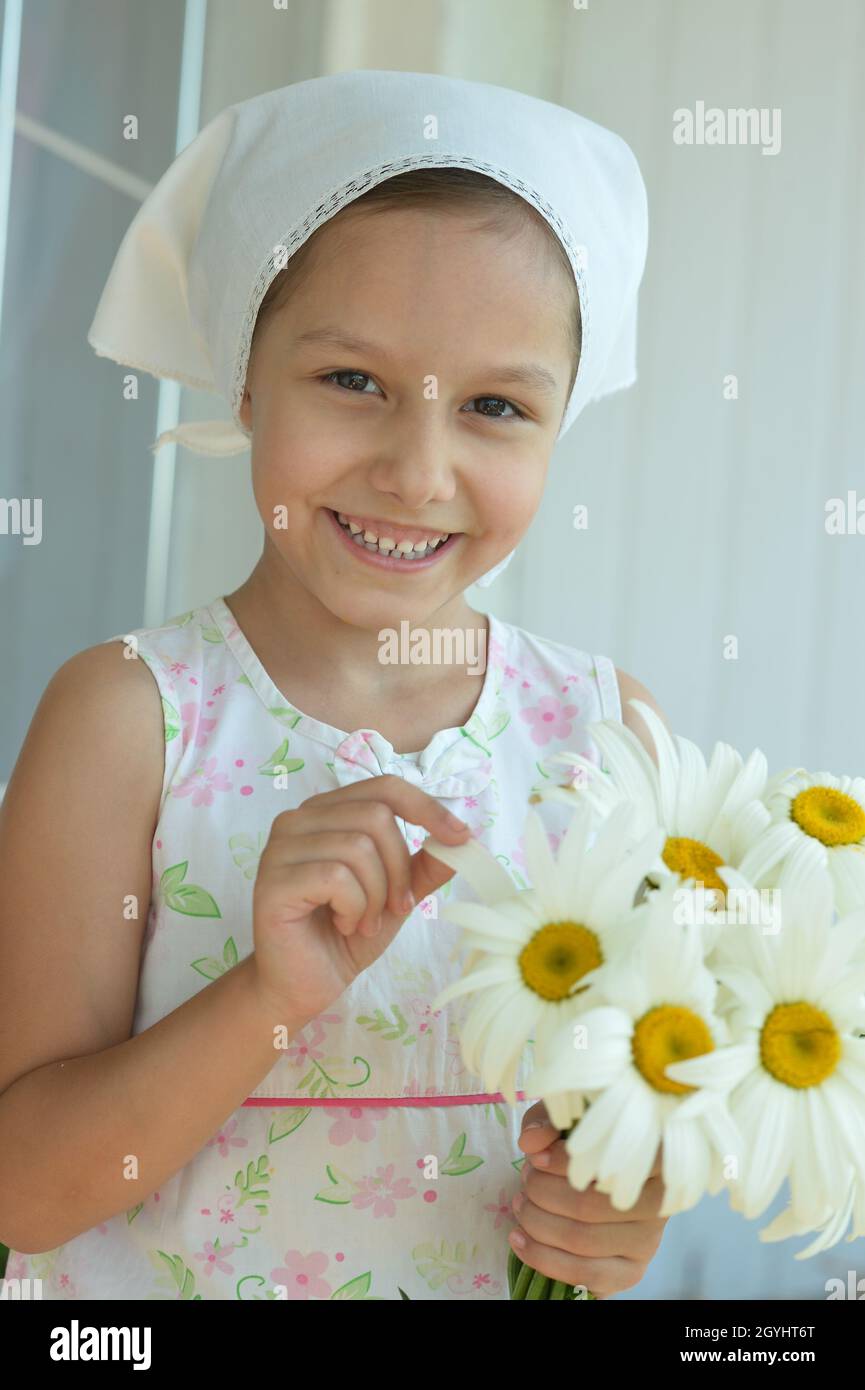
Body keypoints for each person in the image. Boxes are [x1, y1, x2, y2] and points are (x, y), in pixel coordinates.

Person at [0, 70, 670, 1300]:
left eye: (494, 406)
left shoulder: (605, 733)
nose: (419, 472)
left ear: (560, 425)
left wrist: (616, 1220)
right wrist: (267, 997)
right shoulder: (126, 719)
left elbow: (621, 1122)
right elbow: (25, 1188)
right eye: (353, 381)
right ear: (244, 376)